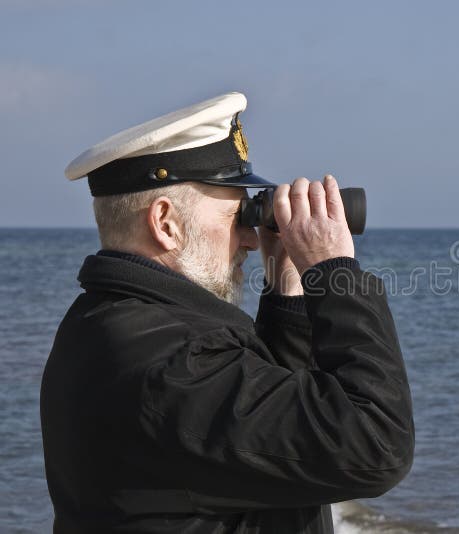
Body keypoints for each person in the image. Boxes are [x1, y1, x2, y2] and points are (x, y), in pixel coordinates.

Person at [40, 92, 414, 533]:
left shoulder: (113, 325)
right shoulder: (176, 364)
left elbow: (275, 427)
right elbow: (374, 446)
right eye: (238, 216)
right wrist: (334, 271)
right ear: (166, 224)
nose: (253, 240)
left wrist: (288, 290)